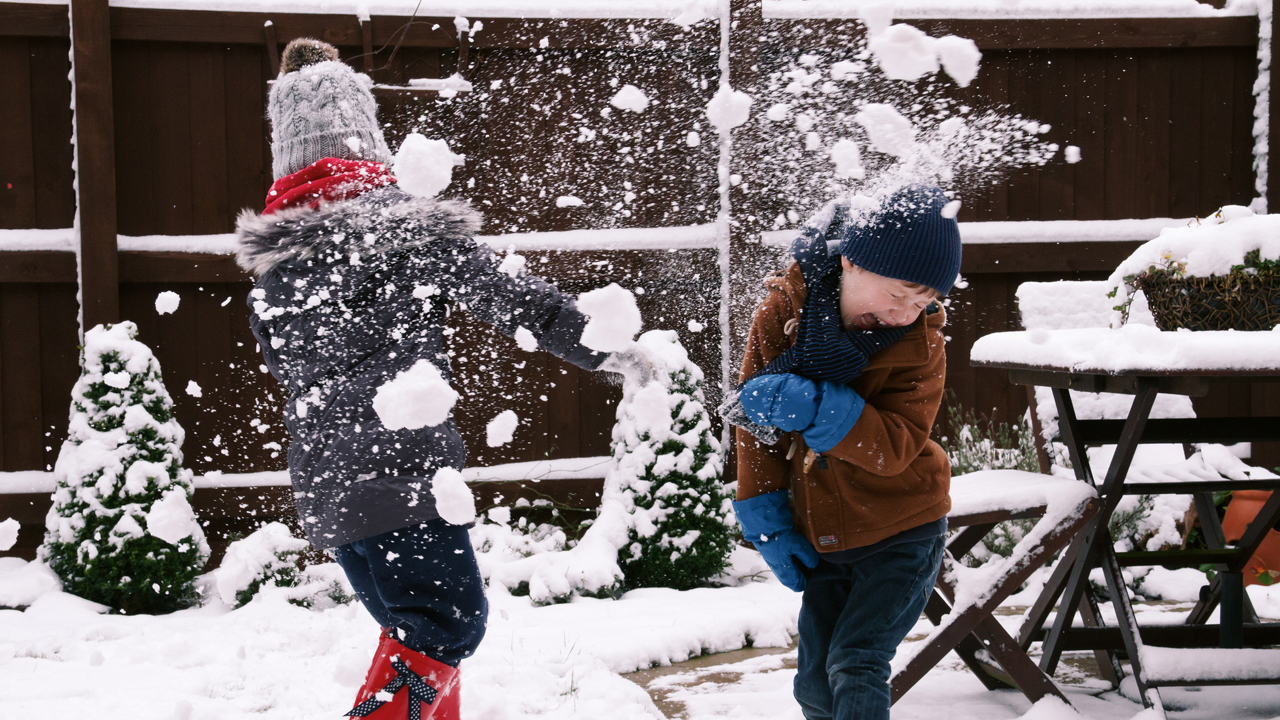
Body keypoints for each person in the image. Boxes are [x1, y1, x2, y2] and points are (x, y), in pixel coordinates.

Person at [235, 38, 643, 720]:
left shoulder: (276, 276)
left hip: (329, 489)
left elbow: (287, 370)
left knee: (417, 634)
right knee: (446, 622)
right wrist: (610, 348)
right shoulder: (408, 237)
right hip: (402, 475)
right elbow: (516, 301)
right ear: (368, 142)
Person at [727, 184, 962, 720]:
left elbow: (898, 445)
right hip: (827, 533)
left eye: (923, 302)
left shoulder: (919, 342)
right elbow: (755, 425)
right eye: (898, 294)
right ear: (850, 262)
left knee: (856, 663)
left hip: (904, 529)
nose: (905, 314)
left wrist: (819, 410)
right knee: (814, 687)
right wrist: (766, 517)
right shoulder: (783, 314)